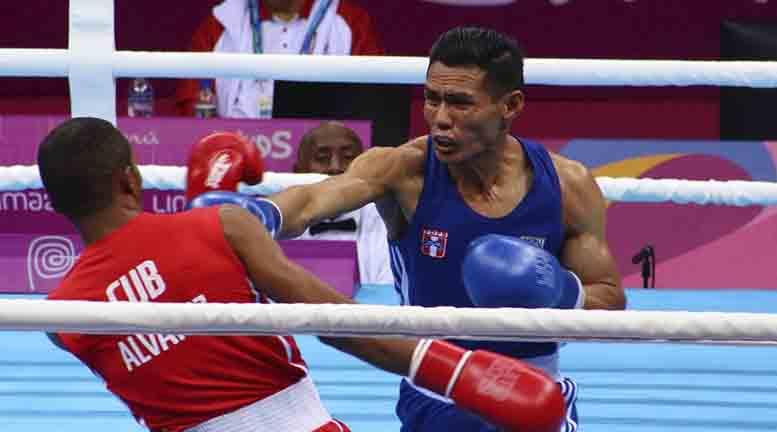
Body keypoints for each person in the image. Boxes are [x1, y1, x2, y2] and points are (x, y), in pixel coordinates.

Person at [41, 117, 566, 432]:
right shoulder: (220, 225)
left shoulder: (62, 319)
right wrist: (462, 373)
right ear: (130, 179)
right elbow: (335, 320)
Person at [251, 27, 626, 430]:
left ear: (510, 105)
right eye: (433, 99)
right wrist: (256, 215)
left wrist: (559, 291)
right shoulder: (405, 169)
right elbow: (312, 201)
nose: (441, 119)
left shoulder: (567, 185)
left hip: (537, 392)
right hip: (437, 394)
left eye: (461, 103)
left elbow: (610, 299)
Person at [175, 0, 384, 118]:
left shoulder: (350, 21)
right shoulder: (219, 23)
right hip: (237, 162)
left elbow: (375, 107)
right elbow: (192, 109)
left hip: (325, 168)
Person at [292, 121, 392, 286]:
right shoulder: (276, 226)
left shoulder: (386, 221)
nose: (335, 168)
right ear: (297, 172)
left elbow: (387, 298)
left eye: (348, 158)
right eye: (322, 158)